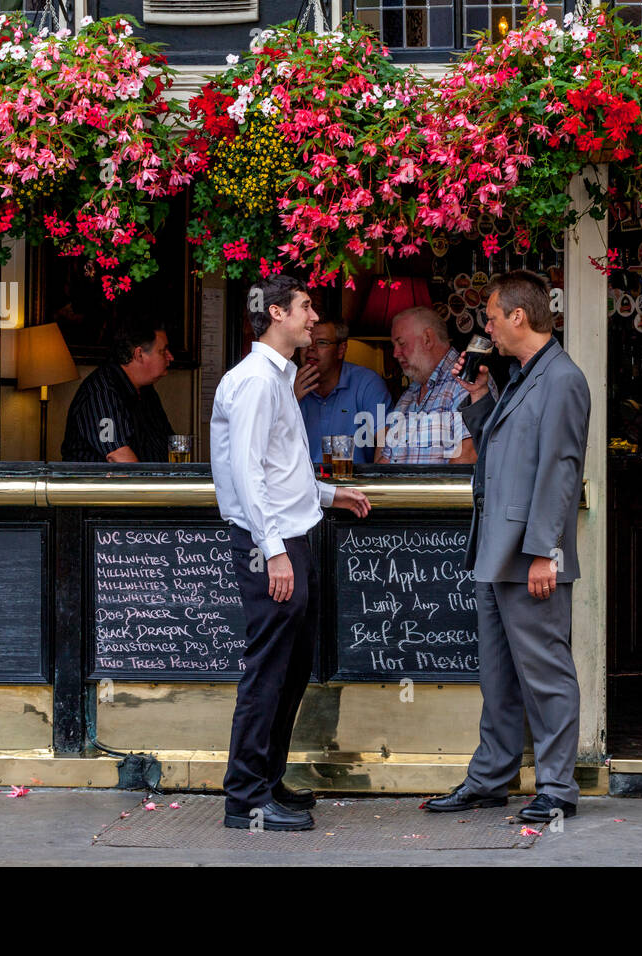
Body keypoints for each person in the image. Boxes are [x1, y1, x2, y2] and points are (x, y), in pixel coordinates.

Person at [422, 270, 590, 824]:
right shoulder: (521, 375)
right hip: (496, 550)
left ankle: (558, 787)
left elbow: (560, 471)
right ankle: (492, 777)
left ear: (519, 315)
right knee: (498, 676)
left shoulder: (562, 379)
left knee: (545, 674)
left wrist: (546, 550)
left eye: (491, 316)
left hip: (530, 553)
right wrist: (478, 401)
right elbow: (503, 449)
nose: (486, 327)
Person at [210, 275, 372, 831]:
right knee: (269, 668)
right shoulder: (256, 380)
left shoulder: (277, 378)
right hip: (270, 545)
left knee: (293, 666)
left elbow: (279, 468)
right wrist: (274, 551)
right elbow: (247, 474)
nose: (313, 318)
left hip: (286, 537)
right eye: (305, 308)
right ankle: (245, 798)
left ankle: (267, 778)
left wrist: (329, 493)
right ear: (276, 313)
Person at [375, 307, 482, 465]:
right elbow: (386, 461)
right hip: (405, 490)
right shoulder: (409, 396)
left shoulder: (464, 382)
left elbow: (468, 455)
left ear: (427, 338)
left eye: (401, 343)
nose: (395, 353)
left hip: (441, 491)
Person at [61, 318, 174, 462]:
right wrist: (153, 484)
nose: (171, 357)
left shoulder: (147, 391)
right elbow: (118, 457)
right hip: (100, 484)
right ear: (138, 354)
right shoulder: (102, 392)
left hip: (151, 482)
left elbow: (170, 444)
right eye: (163, 351)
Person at [294, 318, 391, 464]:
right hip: (301, 484)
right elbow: (265, 444)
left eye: (321, 342)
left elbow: (387, 443)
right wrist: (290, 401)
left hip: (353, 484)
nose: (311, 348)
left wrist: (376, 483)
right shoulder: (289, 385)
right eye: (307, 341)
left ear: (341, 350)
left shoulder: (366, 383)